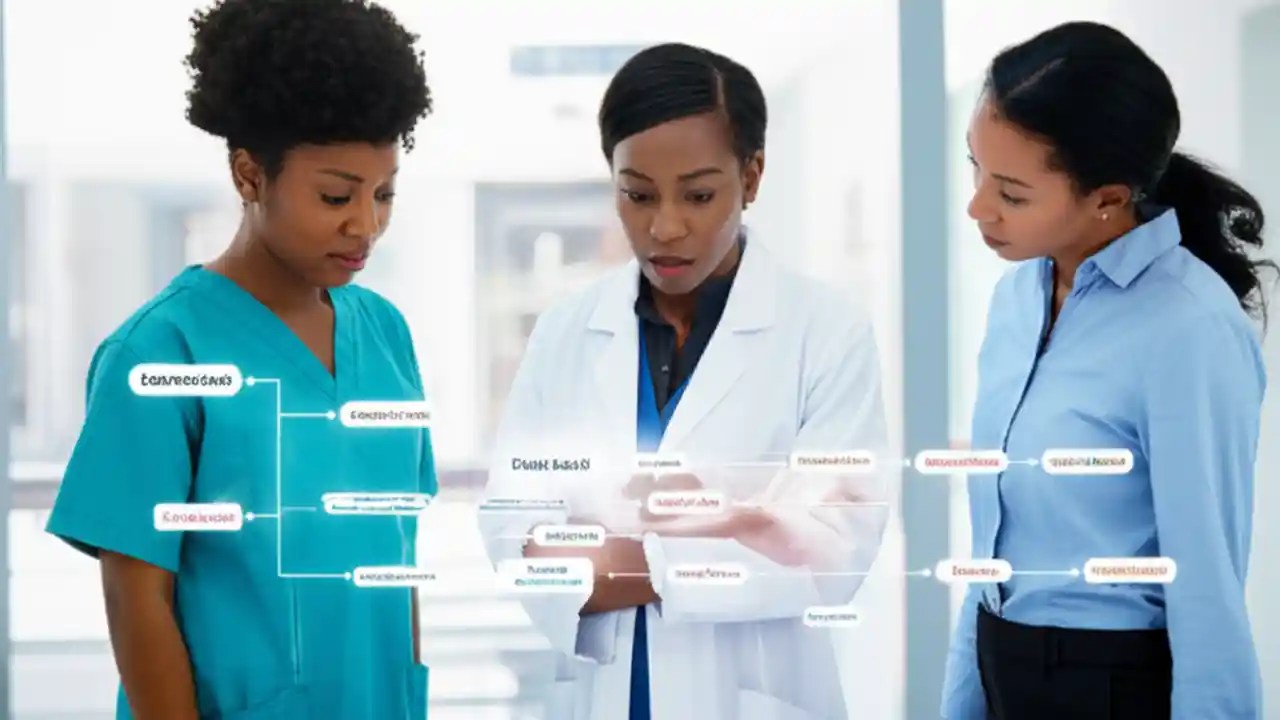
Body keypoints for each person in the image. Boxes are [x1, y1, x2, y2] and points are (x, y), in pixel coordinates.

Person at [44, 1, 437, 718]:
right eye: (335, 195)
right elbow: (137, 601)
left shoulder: (386, 335)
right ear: (250, 175)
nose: (366, 224)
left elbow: (394, 555)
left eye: (384, 194)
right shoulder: (160, 352)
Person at [478, 43, 891, 720]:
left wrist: (623, 560)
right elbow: (510, 527)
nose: (665, 227)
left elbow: (834, 548)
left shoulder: (825, 331)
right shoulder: (565, 331)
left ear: (752, 176)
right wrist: (722, 542)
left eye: (699, 194)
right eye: (637, 194)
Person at [942, 21, 1273, 720]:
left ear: (1108, 198)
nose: (977, 208)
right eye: (975, 168)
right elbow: (990, 551)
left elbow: (1208, 592)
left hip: (1111, 689)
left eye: (1011, 192)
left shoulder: (1188, 326)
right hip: (1004, 667)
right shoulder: (1015, 299)